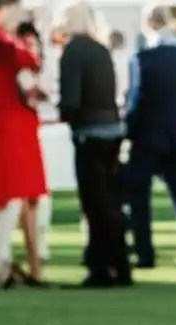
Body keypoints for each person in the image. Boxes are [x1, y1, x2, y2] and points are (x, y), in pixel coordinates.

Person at [56, 1, 130, 288]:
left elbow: (71, 100)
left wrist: (62, 112)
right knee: (111, 201)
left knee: (94, 202)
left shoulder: (73, 52)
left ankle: (100, 268)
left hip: (90, 133)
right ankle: (119, 263)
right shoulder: (100, 49)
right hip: (112, 130)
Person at [125, 2, 176, 268]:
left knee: (139, 197)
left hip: (146, 136)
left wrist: (128, 129)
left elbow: (135, 99)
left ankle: (145, 252)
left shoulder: (142, 59)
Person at [0, 0, 49, 288]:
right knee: (13, 199)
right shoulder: (8, 44)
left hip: (9, 126)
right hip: (11, 128)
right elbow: (28, 72)